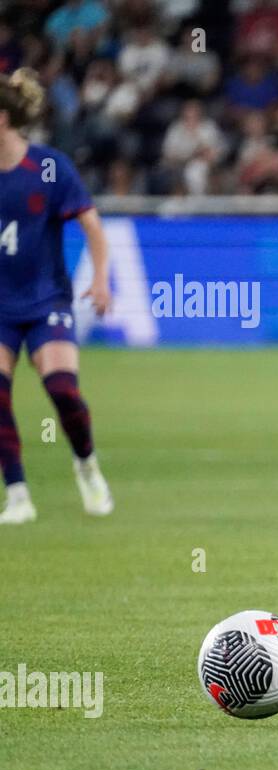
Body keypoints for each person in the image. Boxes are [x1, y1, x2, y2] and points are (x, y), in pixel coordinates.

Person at [0, 68, 113, 525]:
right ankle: (18, 493)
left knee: (62, 389)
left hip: (46, 300)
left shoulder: (48, 167)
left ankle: (85, 462)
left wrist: (101, 278)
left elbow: (91, 224)